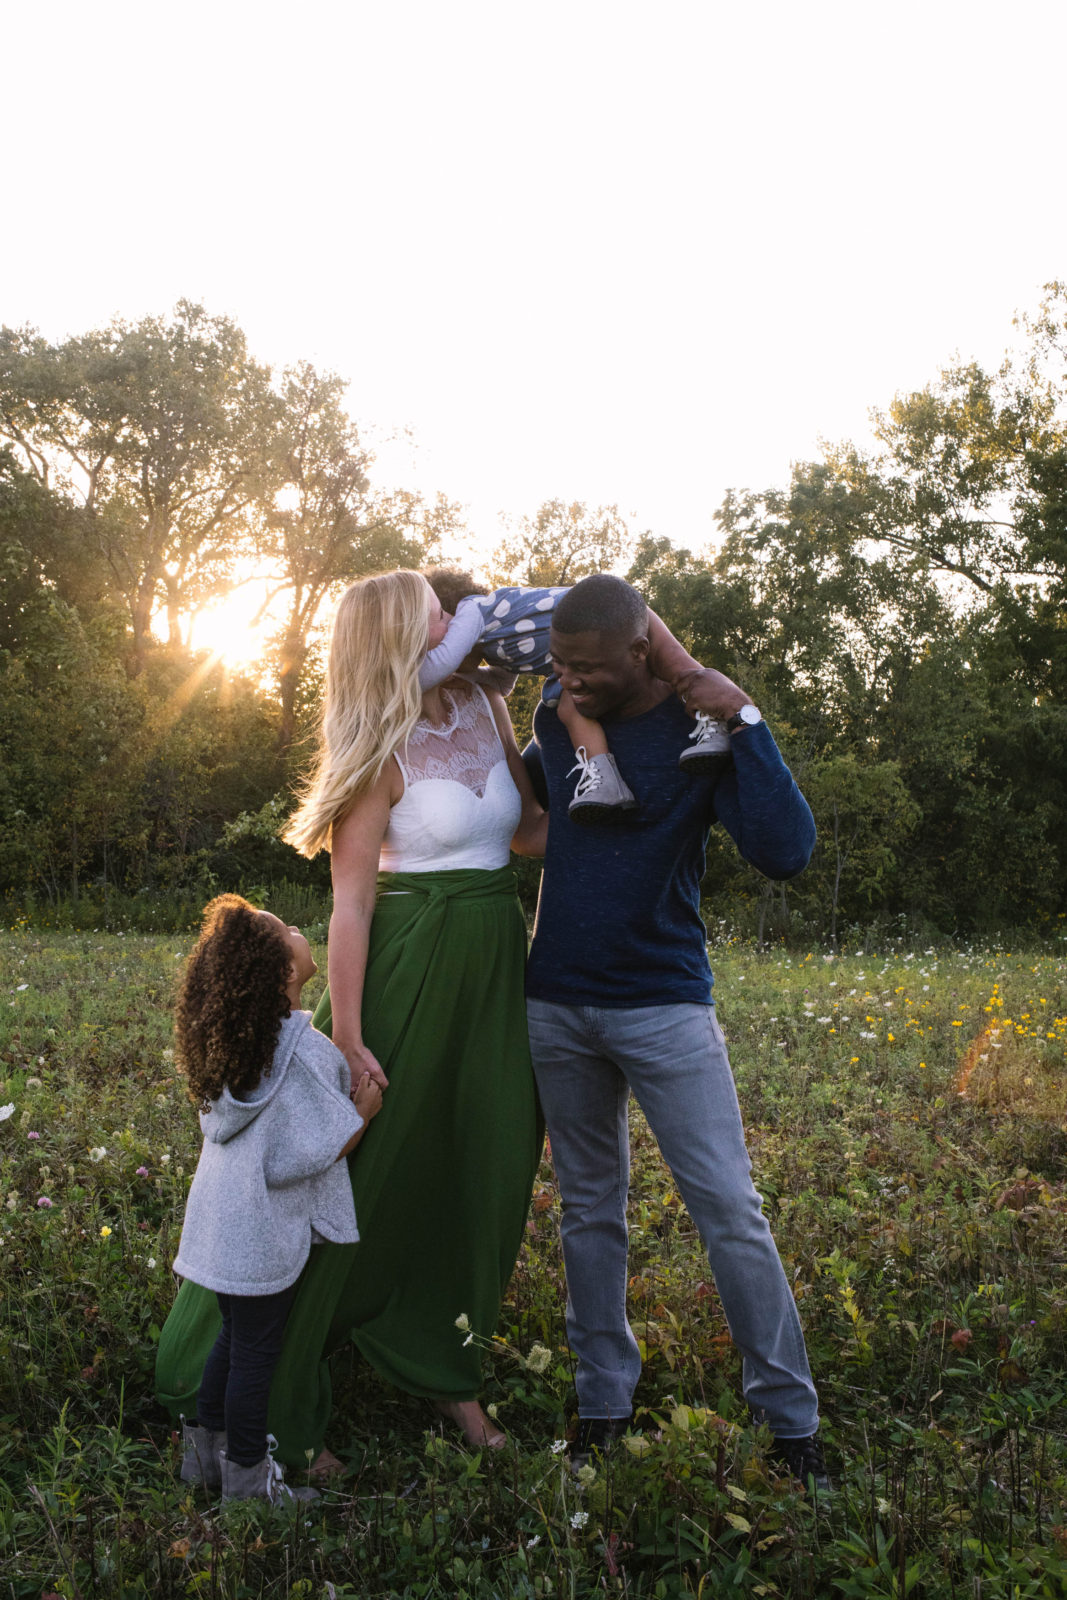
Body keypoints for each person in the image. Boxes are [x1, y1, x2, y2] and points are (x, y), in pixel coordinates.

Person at [156, 569, 545, 1468]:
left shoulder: (484, 709)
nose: (456, 619)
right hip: (404, 969)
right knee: (357, 1175)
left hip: (492, 967)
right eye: (436, 613)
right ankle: (273, 1395)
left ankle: (450, 1371)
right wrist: (348, 1035)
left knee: (477, 1165)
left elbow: (527, 832)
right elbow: (353, 906)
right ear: (396, 636)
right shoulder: (376, 747)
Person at [522, 574, 829, 1491]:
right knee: (588, 1211)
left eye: (588, 668)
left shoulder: (702, 736)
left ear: (641, 651)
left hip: (663, 1004)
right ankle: (603, 1403)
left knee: (729, 1212)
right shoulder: (556, 714)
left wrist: (747, 721)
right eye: (560, 666)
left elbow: (785, 851)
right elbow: (527, 817)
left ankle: (790, 1421)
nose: (570, 682)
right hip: (556, 1002)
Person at [171, 894, 382, 1505]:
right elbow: (315, 1147)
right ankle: (246, 1485)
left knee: (233, 1340)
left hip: (219, 1223)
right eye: (285, 930)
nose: (296, 927)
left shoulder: (235, 1048)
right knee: (257, 1355)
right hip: (261, 1230)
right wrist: (360, 1113)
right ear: (287, 973)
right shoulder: (303, 1050)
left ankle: (200, 1459)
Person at [419, 569, 734, 821]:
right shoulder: (495, 640)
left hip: (617, 621)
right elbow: (502, 685)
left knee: (681, 671)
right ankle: (605, 781)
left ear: (450, 617)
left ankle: (717, 726)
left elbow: (437, 664)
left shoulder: (470, 612)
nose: (443, 653)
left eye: (428, 644)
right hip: (582, 662)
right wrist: (465, 676)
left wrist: (398, 676)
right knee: (569, 710)